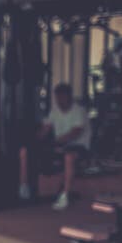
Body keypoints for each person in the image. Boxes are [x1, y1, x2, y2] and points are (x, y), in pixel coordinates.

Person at [18, 82, 91, 210]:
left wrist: (55, 142)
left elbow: (75, 133)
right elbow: (45, 129)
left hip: (78, 146)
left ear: (69, 96)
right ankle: (24, 188)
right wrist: (34, 141)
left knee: (68, 157)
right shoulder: (55, 111)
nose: (59, 100)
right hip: (59, 145)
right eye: (57, 97)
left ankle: (65, 195)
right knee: (25, 151)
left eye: (62, 97)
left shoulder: (79, 111)